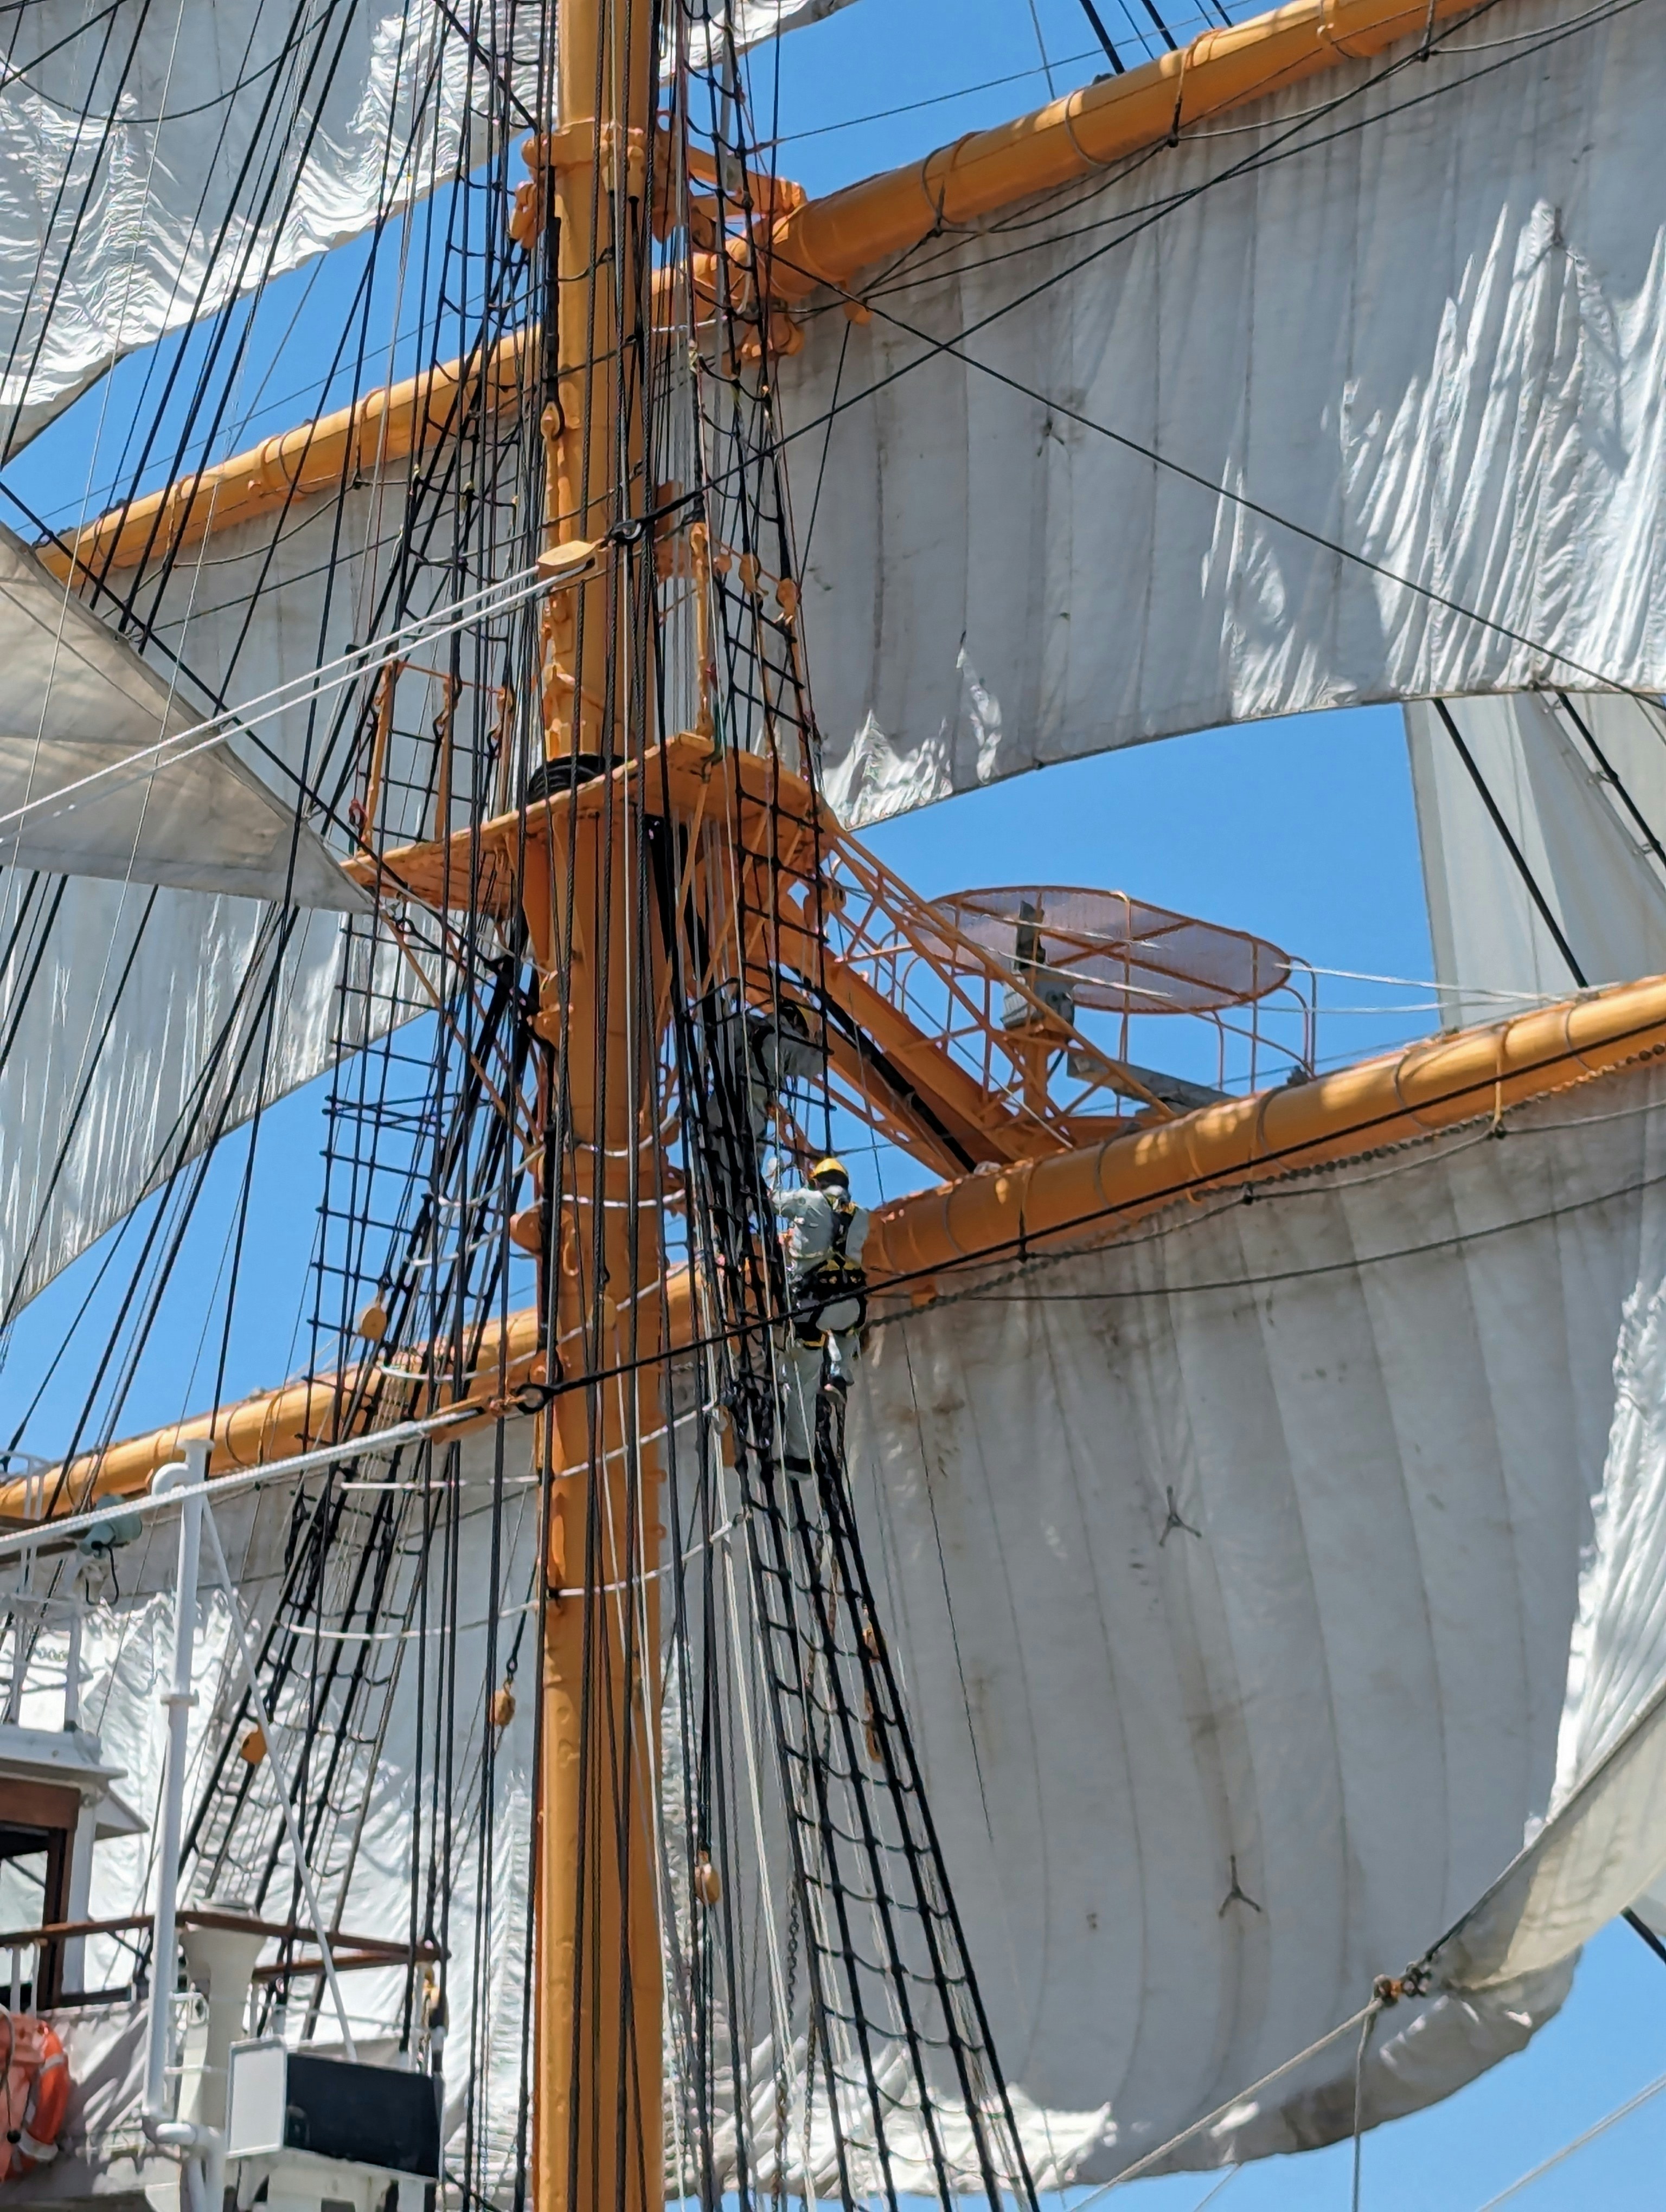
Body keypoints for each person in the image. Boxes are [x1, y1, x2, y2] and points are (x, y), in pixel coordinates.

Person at [773, 1156, 869, 1476]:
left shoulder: (807, 1200)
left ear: (817, 1182)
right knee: (844, 1334)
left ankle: (800, 1459)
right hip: (853, 1306)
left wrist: (774, 1173)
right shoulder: (861, 1215)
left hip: (816, 1305)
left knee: (801, 1382)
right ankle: (840, 1376)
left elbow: (774, 1200)